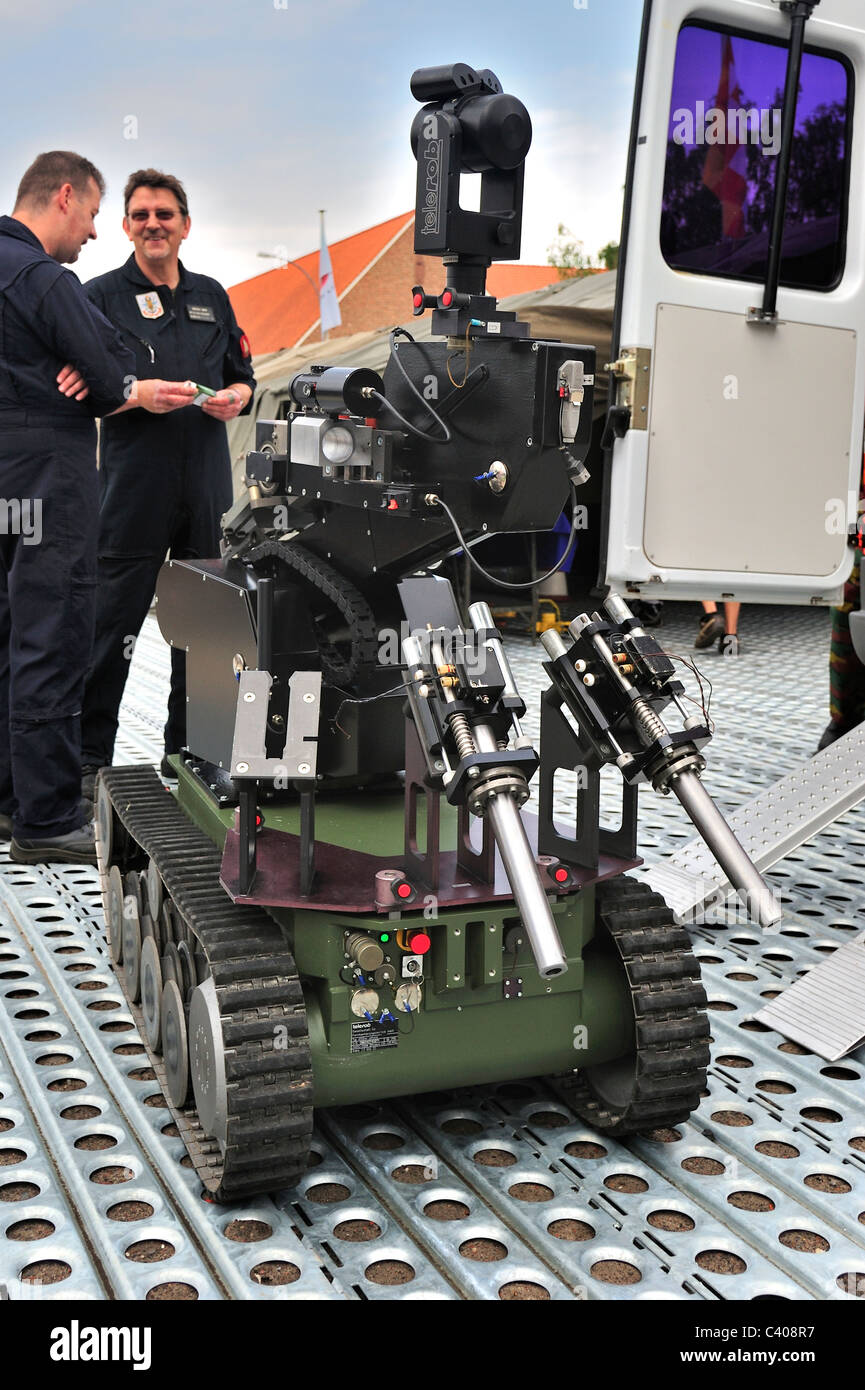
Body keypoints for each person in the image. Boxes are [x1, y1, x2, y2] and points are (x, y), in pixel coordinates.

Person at [0, 151, 193, 865]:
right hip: (48, 472)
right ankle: (48, 820)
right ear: (63, 197)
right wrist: (91, 375)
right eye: (90, 216)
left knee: (6, 629)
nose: (91, 235)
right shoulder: (46, 280)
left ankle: (8, 794)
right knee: (51, 630)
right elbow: (113, 377)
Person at [79, 169, 256, 794]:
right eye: (141, 215)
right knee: (112, 629)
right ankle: (86, 766)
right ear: (126, 226)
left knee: (205, 629)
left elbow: (244, 375)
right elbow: (82, 390)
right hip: (132, 492)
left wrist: (234, 396)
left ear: (185, 224)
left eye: (165, 214)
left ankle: (192, 756)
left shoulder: (212, 295)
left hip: (204, 488)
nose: (153, 224)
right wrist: (138, 395)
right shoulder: (98, 297)